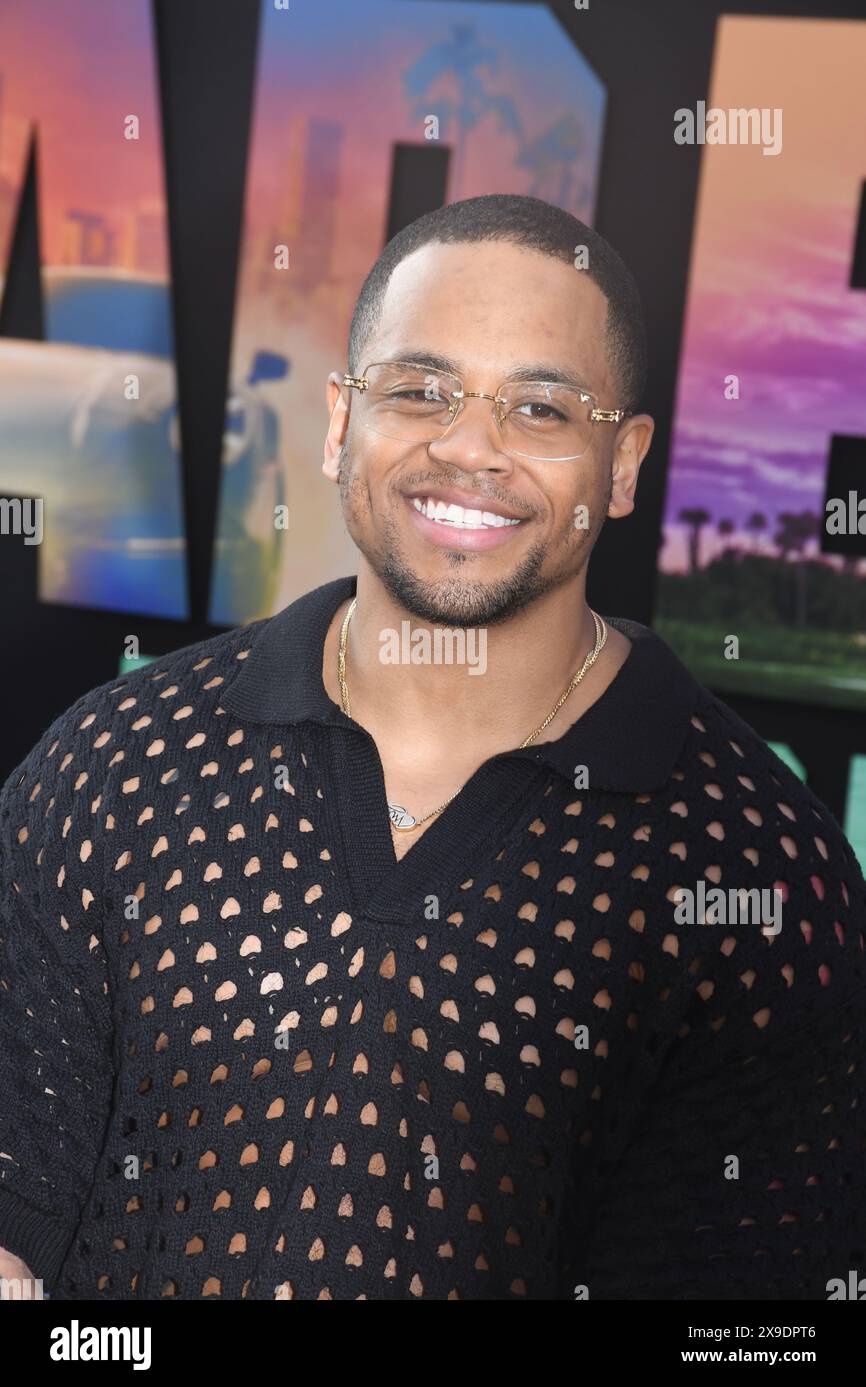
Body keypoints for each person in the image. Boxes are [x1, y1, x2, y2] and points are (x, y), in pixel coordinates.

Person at [1, 193, 864, 1301]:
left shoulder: (756, 872)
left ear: (621, 461)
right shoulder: (113, 761)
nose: (467, 447)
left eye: (542, 410)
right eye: (418, 390)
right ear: (336, 420)